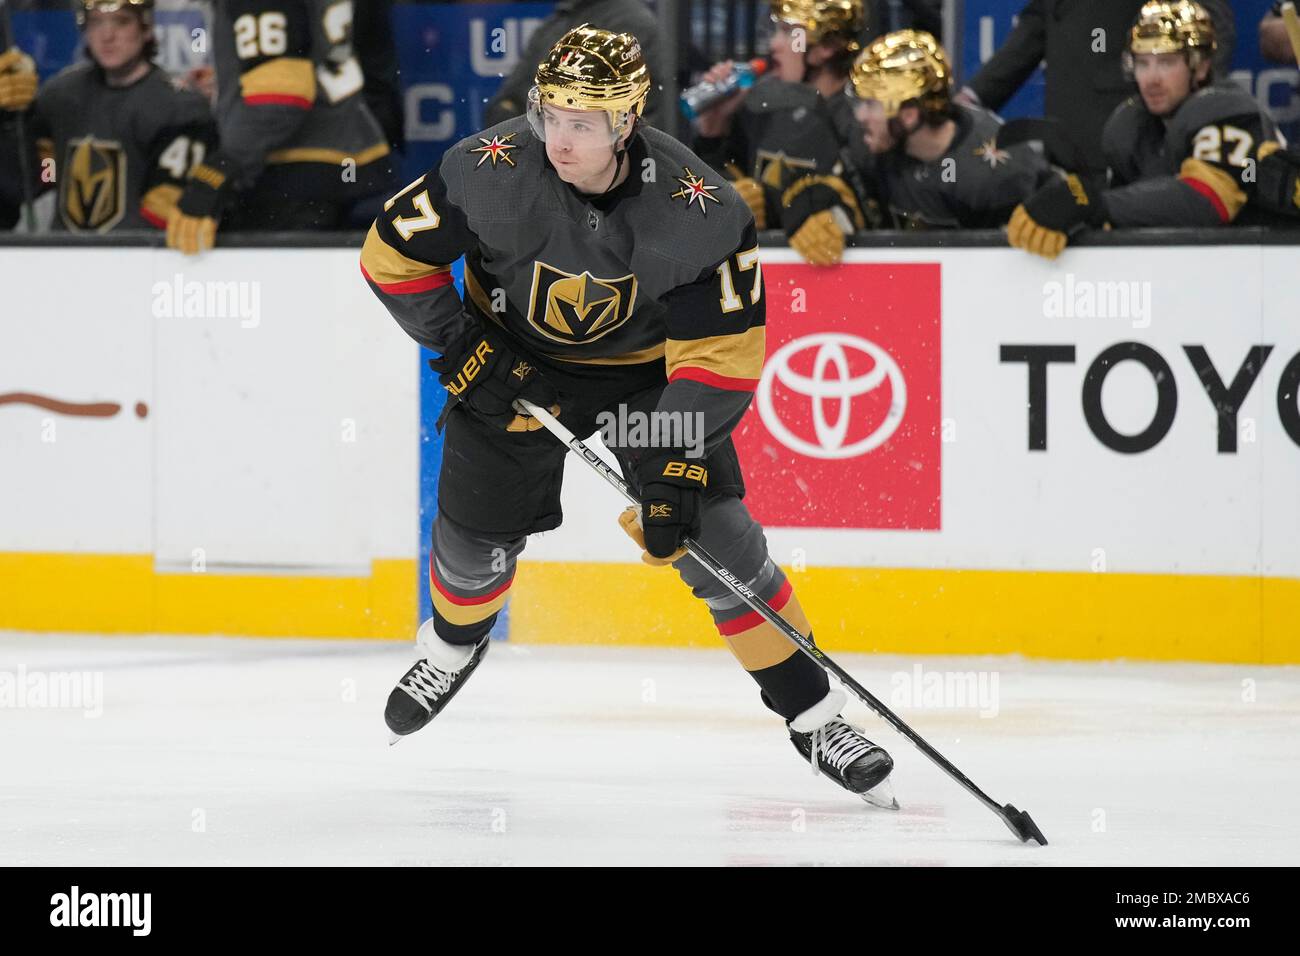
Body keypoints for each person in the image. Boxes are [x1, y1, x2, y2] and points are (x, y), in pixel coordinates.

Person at [361, 24, 895, 805]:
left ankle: (817, 717)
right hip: (515, 369)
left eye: (584, 123)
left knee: (719, 540)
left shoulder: (700, 208)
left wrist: (674, 462)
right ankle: (450, 645)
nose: (560, 140)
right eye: (551, 116)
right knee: (471, 549)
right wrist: (461, 344)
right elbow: (390, 256)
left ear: (627, 119)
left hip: (647, 386)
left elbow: (720, 357)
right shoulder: (487, 169)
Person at [1008, 1, 1284, 259]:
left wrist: (1095, 204)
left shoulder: (1231, 112)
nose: (1151, 79)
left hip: (1264, 277)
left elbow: (1207, 201)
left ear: (1200, 67)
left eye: (1167, 63)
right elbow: (1124, 218)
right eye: (1142, 63)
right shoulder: (1128, 126)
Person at [165, 0, 392, 253]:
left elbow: (280, 98)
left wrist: (220, 169)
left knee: (281, 289)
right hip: (346, 159)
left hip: (291, 173)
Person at [0, 0, 214, 234]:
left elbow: (168, 211)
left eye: (121, 22)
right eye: (96, 22)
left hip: (141, 259)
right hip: (63, 257)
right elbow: (33, 181)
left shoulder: (180, 107)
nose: (107, 35)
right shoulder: (59, 97)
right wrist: (9, 119)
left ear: (146, 28)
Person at [692, 0, 871, 265]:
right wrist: (713, 133)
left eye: (790, 32)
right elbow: (707, 197)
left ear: (828, 46)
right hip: (762, 280)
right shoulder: (759, 104)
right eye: (776, 30)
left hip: (840, 280)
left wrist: (815, 207)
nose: (774, 44)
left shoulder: (864, 119)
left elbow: (874, 213)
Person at [961, 0, 1235, 171]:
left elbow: (1209, 22)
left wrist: (1200, 102)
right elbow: (1041, 21)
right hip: (1066, 139)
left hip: (1135, 141)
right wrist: (974, 96)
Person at [847, 30, 1047, 229]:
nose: (860, 116)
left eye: (871, 104)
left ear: (909, 115)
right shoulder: (873, 142)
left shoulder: (996, 175)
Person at [484, 0, 666, 130]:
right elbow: (506, 102)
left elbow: (635, 116)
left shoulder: (630, 21)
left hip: (598, 168)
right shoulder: (557, 21)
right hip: (545, 160)